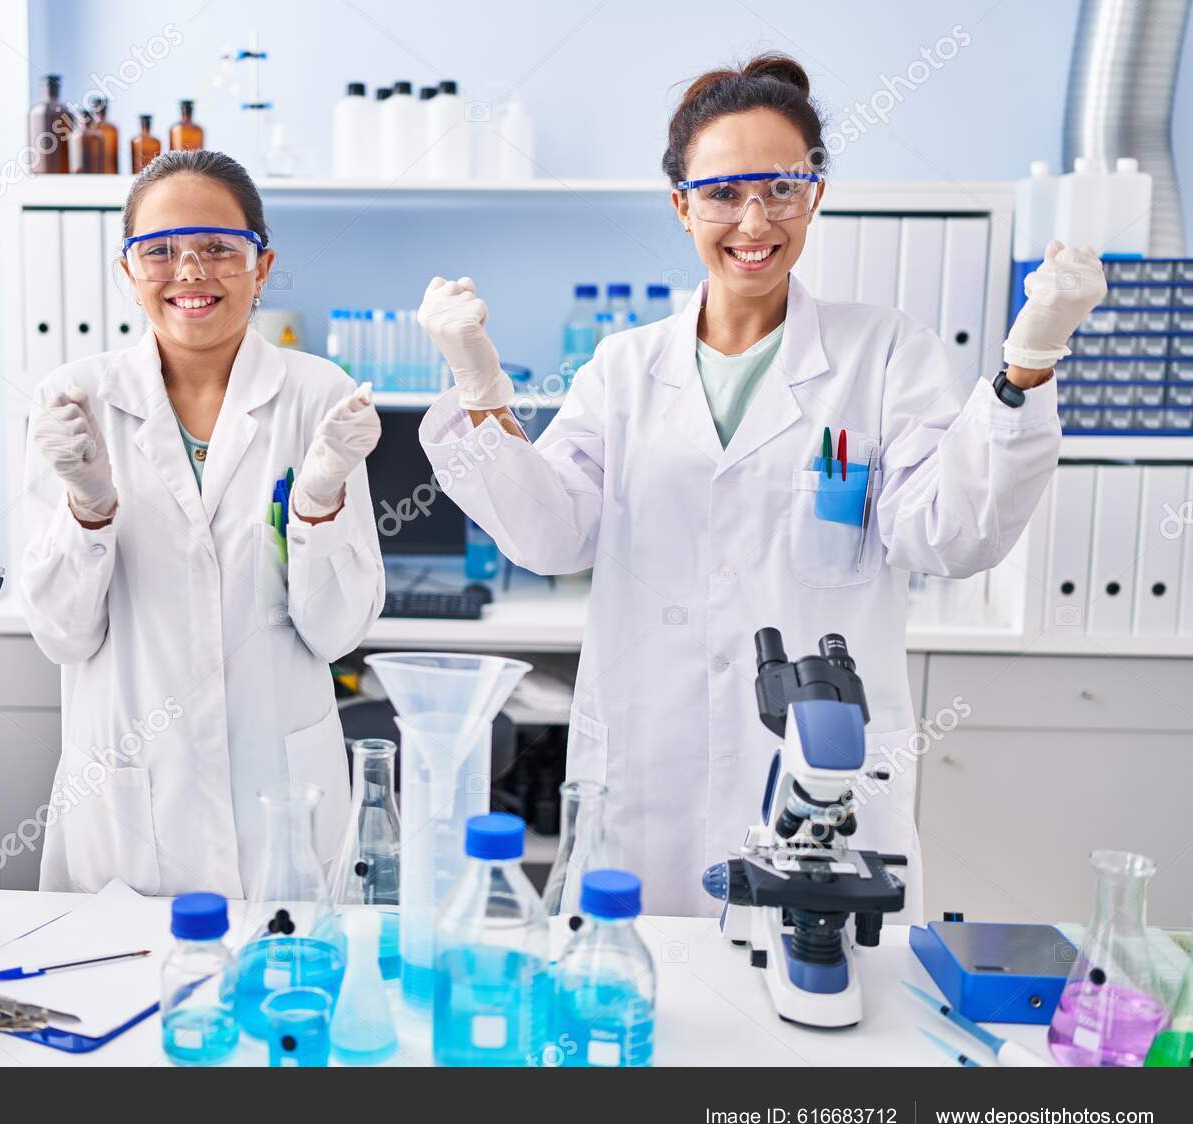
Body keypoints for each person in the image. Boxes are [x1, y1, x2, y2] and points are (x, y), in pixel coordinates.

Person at [415, 55, 1105, 917]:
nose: (754, 219)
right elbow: (553, 536)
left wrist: (1026, 366)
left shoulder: (884, 352)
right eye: (724, 193)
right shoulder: (625, 368)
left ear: (815, 193)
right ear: (682, 205)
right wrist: (481, 391)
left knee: (816, 1023)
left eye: (782, 188)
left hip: (820, 777)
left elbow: (951, 535)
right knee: (642, 1005)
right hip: (648, 771)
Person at [22, 150, 385, 897]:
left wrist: (318, 503)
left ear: (261, 265)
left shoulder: (321, 397)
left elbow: (337, 633)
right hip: (129, 812)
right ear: (128, 270)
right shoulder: (75, 400)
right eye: (159, 251)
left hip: (280, 805)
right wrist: (89, 512)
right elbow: (60, 635)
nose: (190, 271)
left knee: (284, 1002)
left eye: (219, 248)